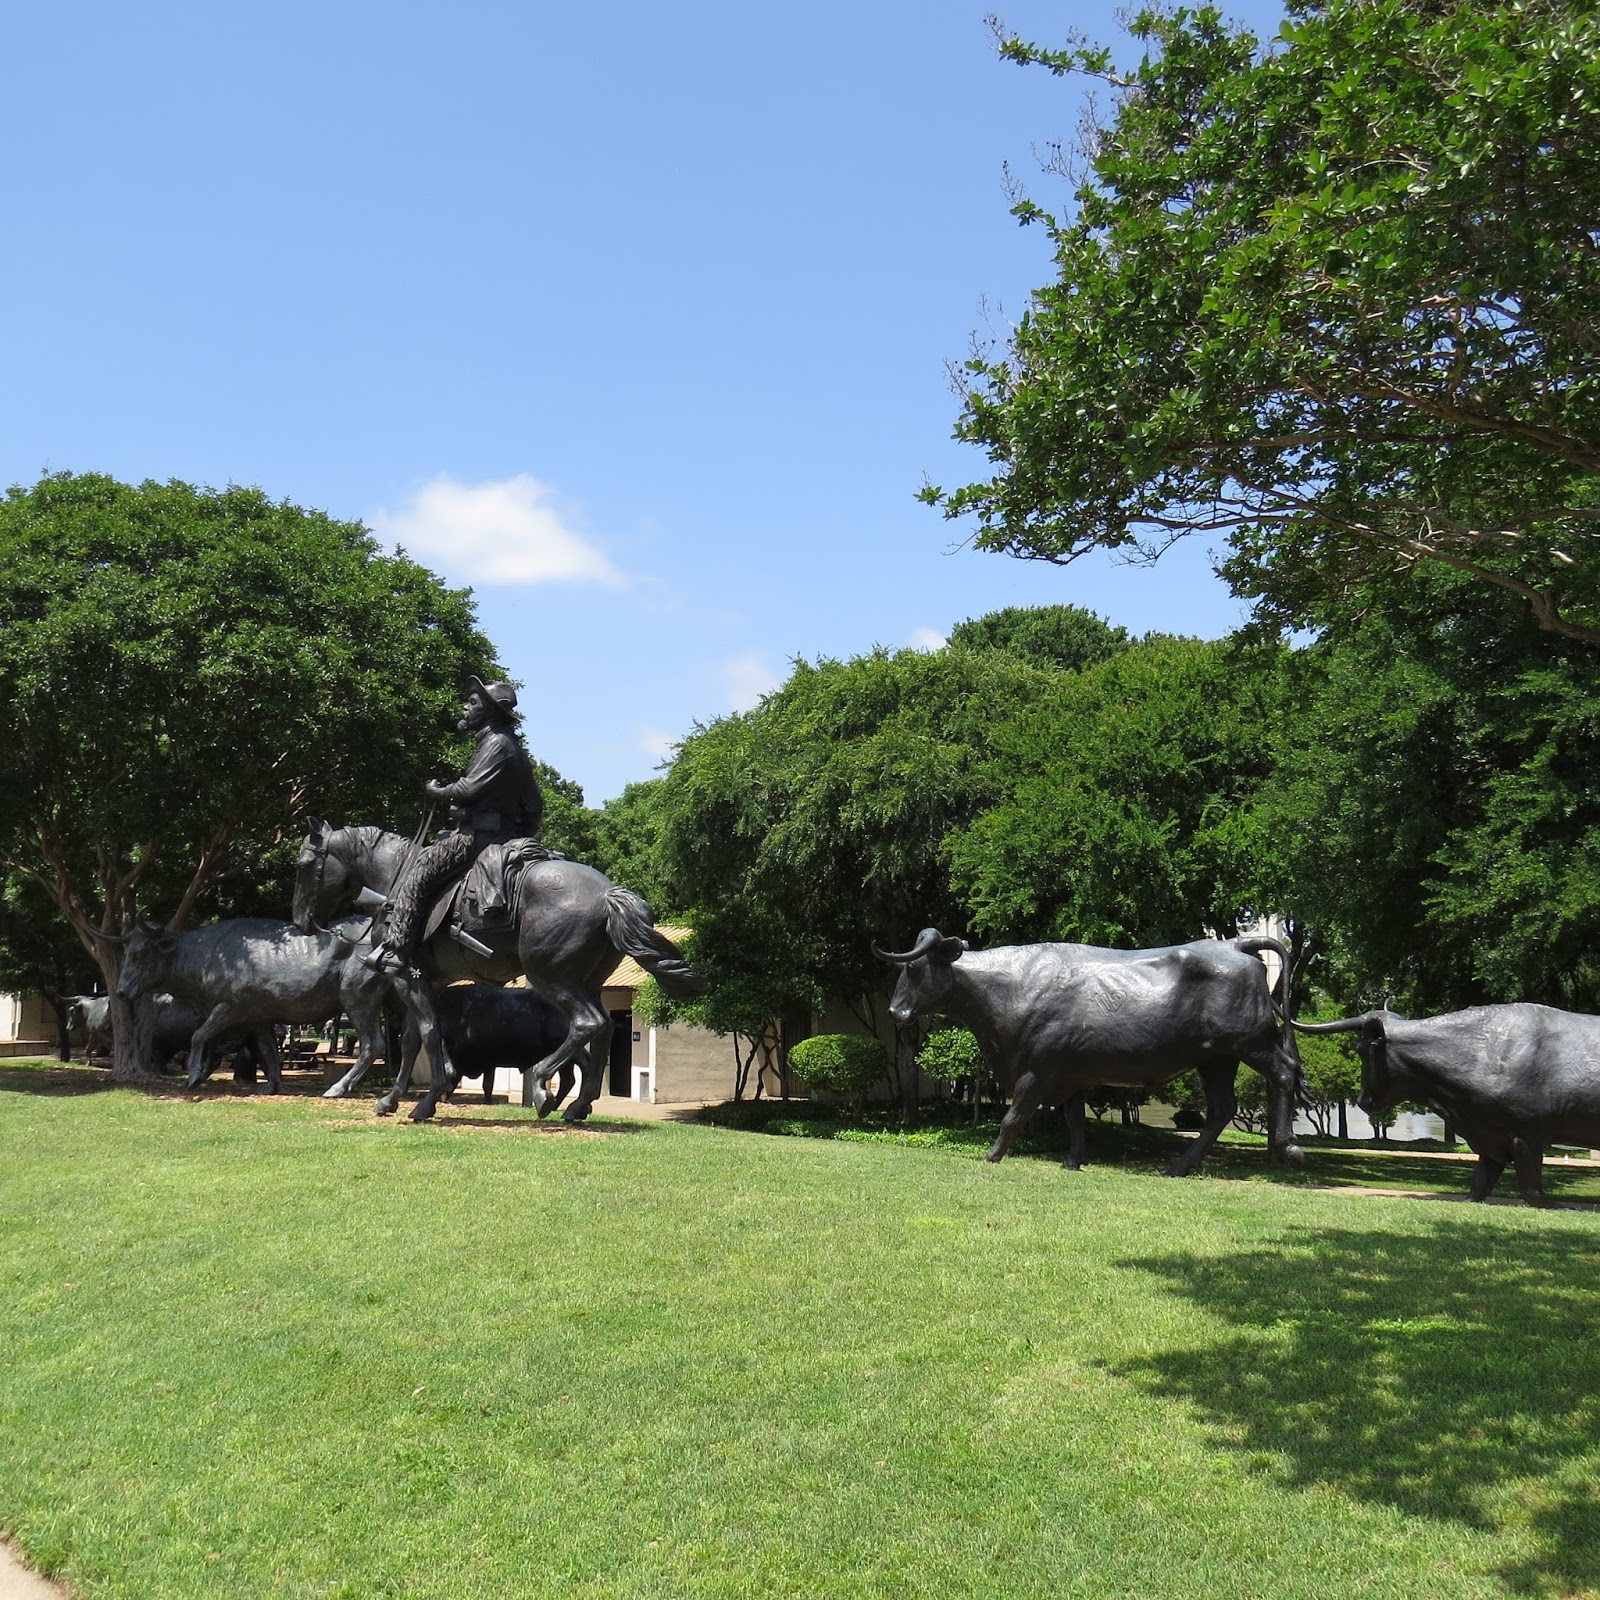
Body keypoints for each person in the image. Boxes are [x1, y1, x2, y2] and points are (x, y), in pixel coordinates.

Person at [362, 677, 542, 974]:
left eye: (472, 703)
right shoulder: (513, 749)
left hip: (476, 838)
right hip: (501, 834)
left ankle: (396, 949)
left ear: (489, 712)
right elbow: (533, 806)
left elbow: (469, 788)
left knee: (417, 875)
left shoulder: (496, 743)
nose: (465, 708)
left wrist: (438, 791)